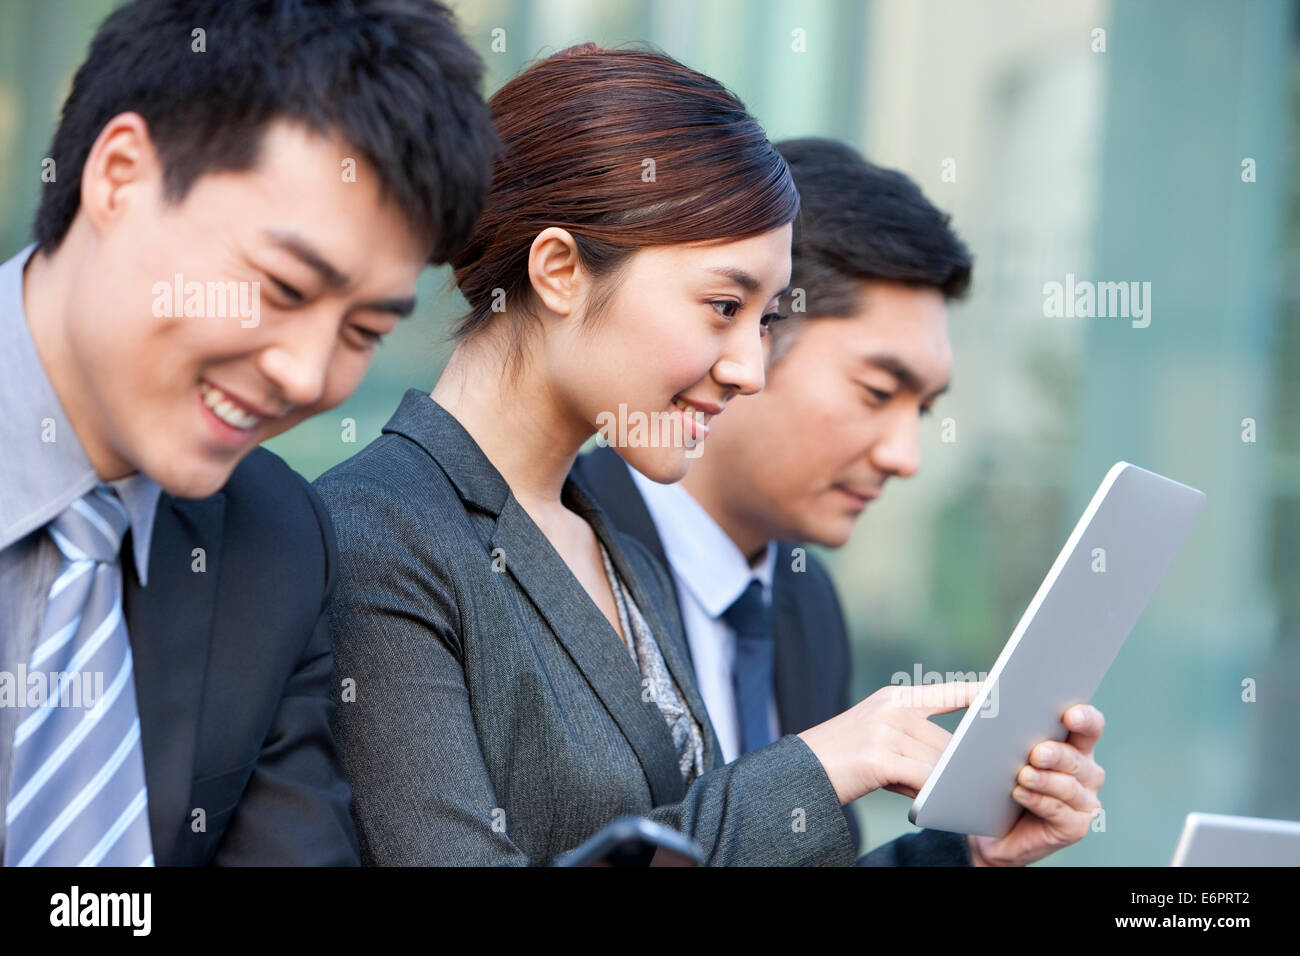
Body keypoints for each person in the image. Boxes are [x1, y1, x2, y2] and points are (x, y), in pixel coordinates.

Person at [316, 44, 991, 866]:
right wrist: (819, 767)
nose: (750, 369)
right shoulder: (376, 534)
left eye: (767, 320)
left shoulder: (617, 552)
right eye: (722, 305)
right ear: (560, 270)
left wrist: (962, 855)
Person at [0, 0, 497, 865]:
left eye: (363, 331)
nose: (308, 378)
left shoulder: (278, 539)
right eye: (281, 287)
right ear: (119, 176)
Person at [573, 138, 1107, 867]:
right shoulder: (558, 551)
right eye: (878, 393)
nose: (904, 456)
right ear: (750, 336)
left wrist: (969, 855)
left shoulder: (803, 601)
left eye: (922, 409)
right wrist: (813, 772)